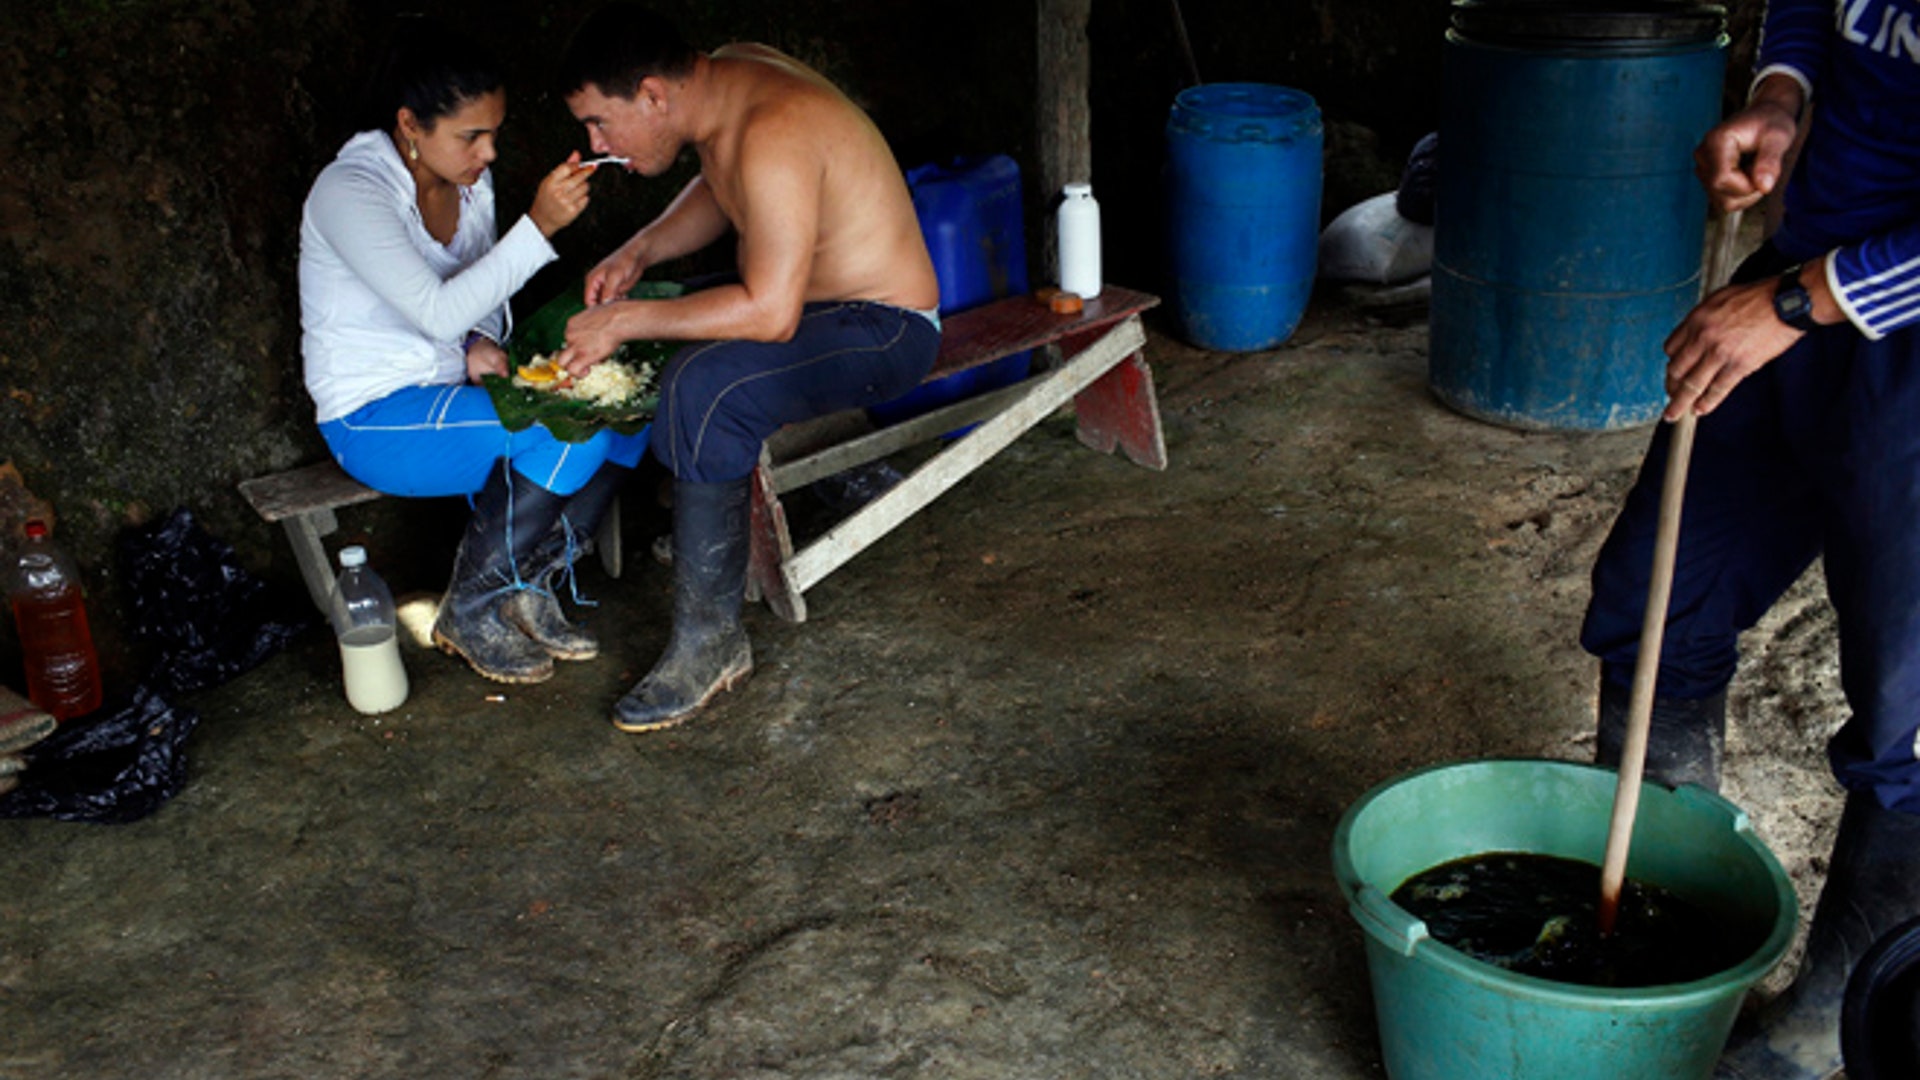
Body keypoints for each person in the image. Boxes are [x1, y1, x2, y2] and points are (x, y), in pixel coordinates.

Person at [1578, 1, 1920, 1076]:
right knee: (1659, 596)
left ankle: (1839, 1007)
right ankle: (1661, 925)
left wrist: (1802, 300)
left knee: (1910, 710)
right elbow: (1816, 6)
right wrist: (1782, 99)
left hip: (1881, 328)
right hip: (1803, 281)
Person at [551, 5, 942, 733]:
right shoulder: (728, 80)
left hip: (884, 328)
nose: (595, 146)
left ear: (653, 96)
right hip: (816, 310)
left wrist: (627, 316)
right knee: (651, 334)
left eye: (600, 124)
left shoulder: (773, 129)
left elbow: (769, 316)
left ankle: (711, 644)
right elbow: (722, 185)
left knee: (707, 390)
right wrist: (641, 253)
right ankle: (676, 523)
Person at [299, 16, 647, 685]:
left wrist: (481, 340)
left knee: (630, 416)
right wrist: (540, 225)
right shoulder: (350, 193)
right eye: (470, 136)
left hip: (452, 394)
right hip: (374, 419)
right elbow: (433, 311)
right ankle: (472, 607)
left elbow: (481, 290)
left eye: (494, 133)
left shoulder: (466, 180)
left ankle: (531, 588)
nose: (488, 153)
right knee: (565, 433)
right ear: (409, 124)